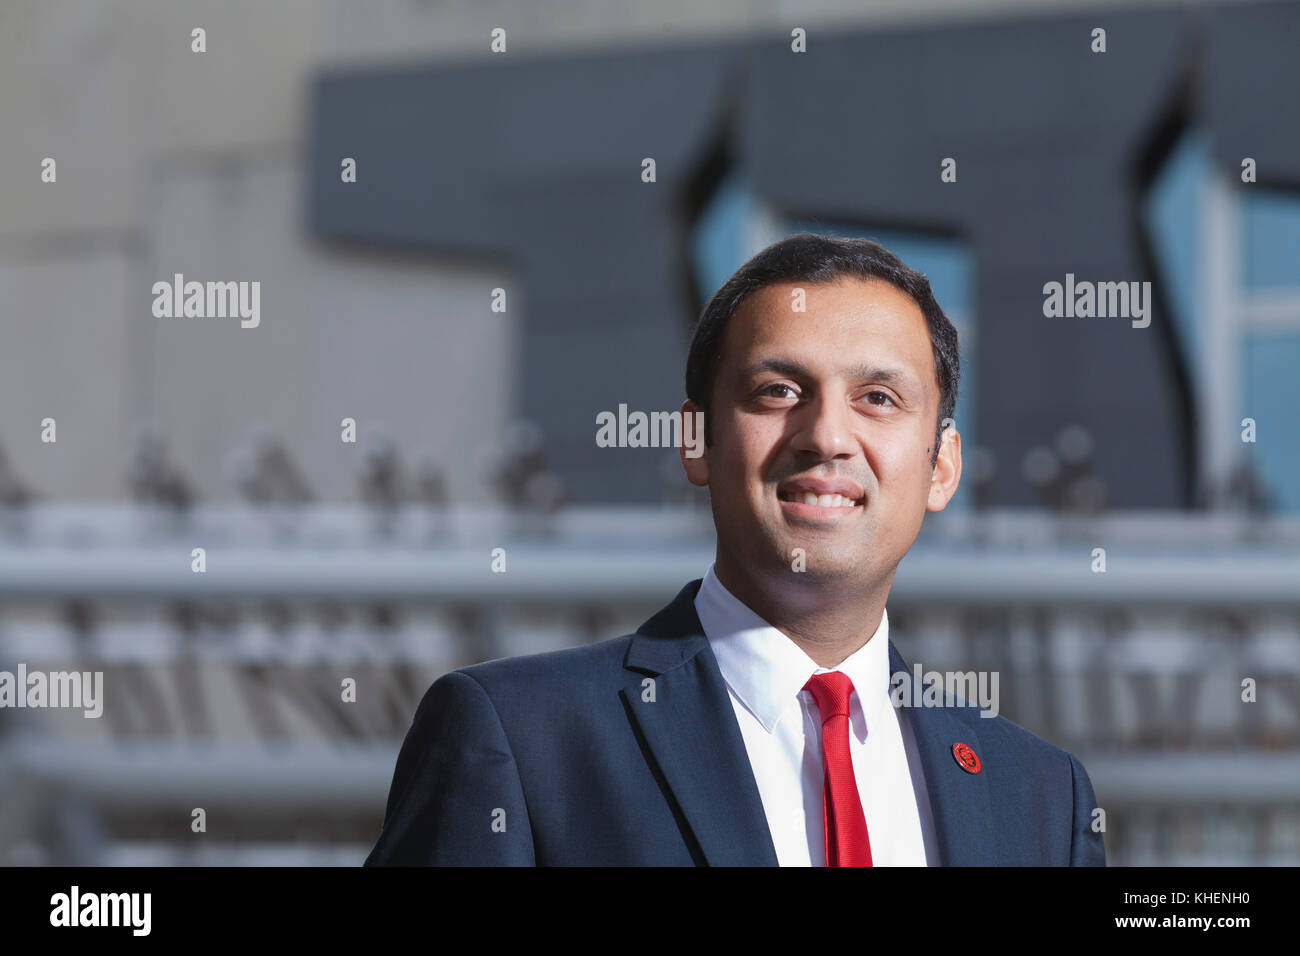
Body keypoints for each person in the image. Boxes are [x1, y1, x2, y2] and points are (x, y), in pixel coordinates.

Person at [365, 232, 1105, 866]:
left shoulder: (1041, 800)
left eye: (878, 398)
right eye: (780, 390)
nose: (827, 436)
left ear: (942, 467)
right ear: (696, 440)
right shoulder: (520, 742)